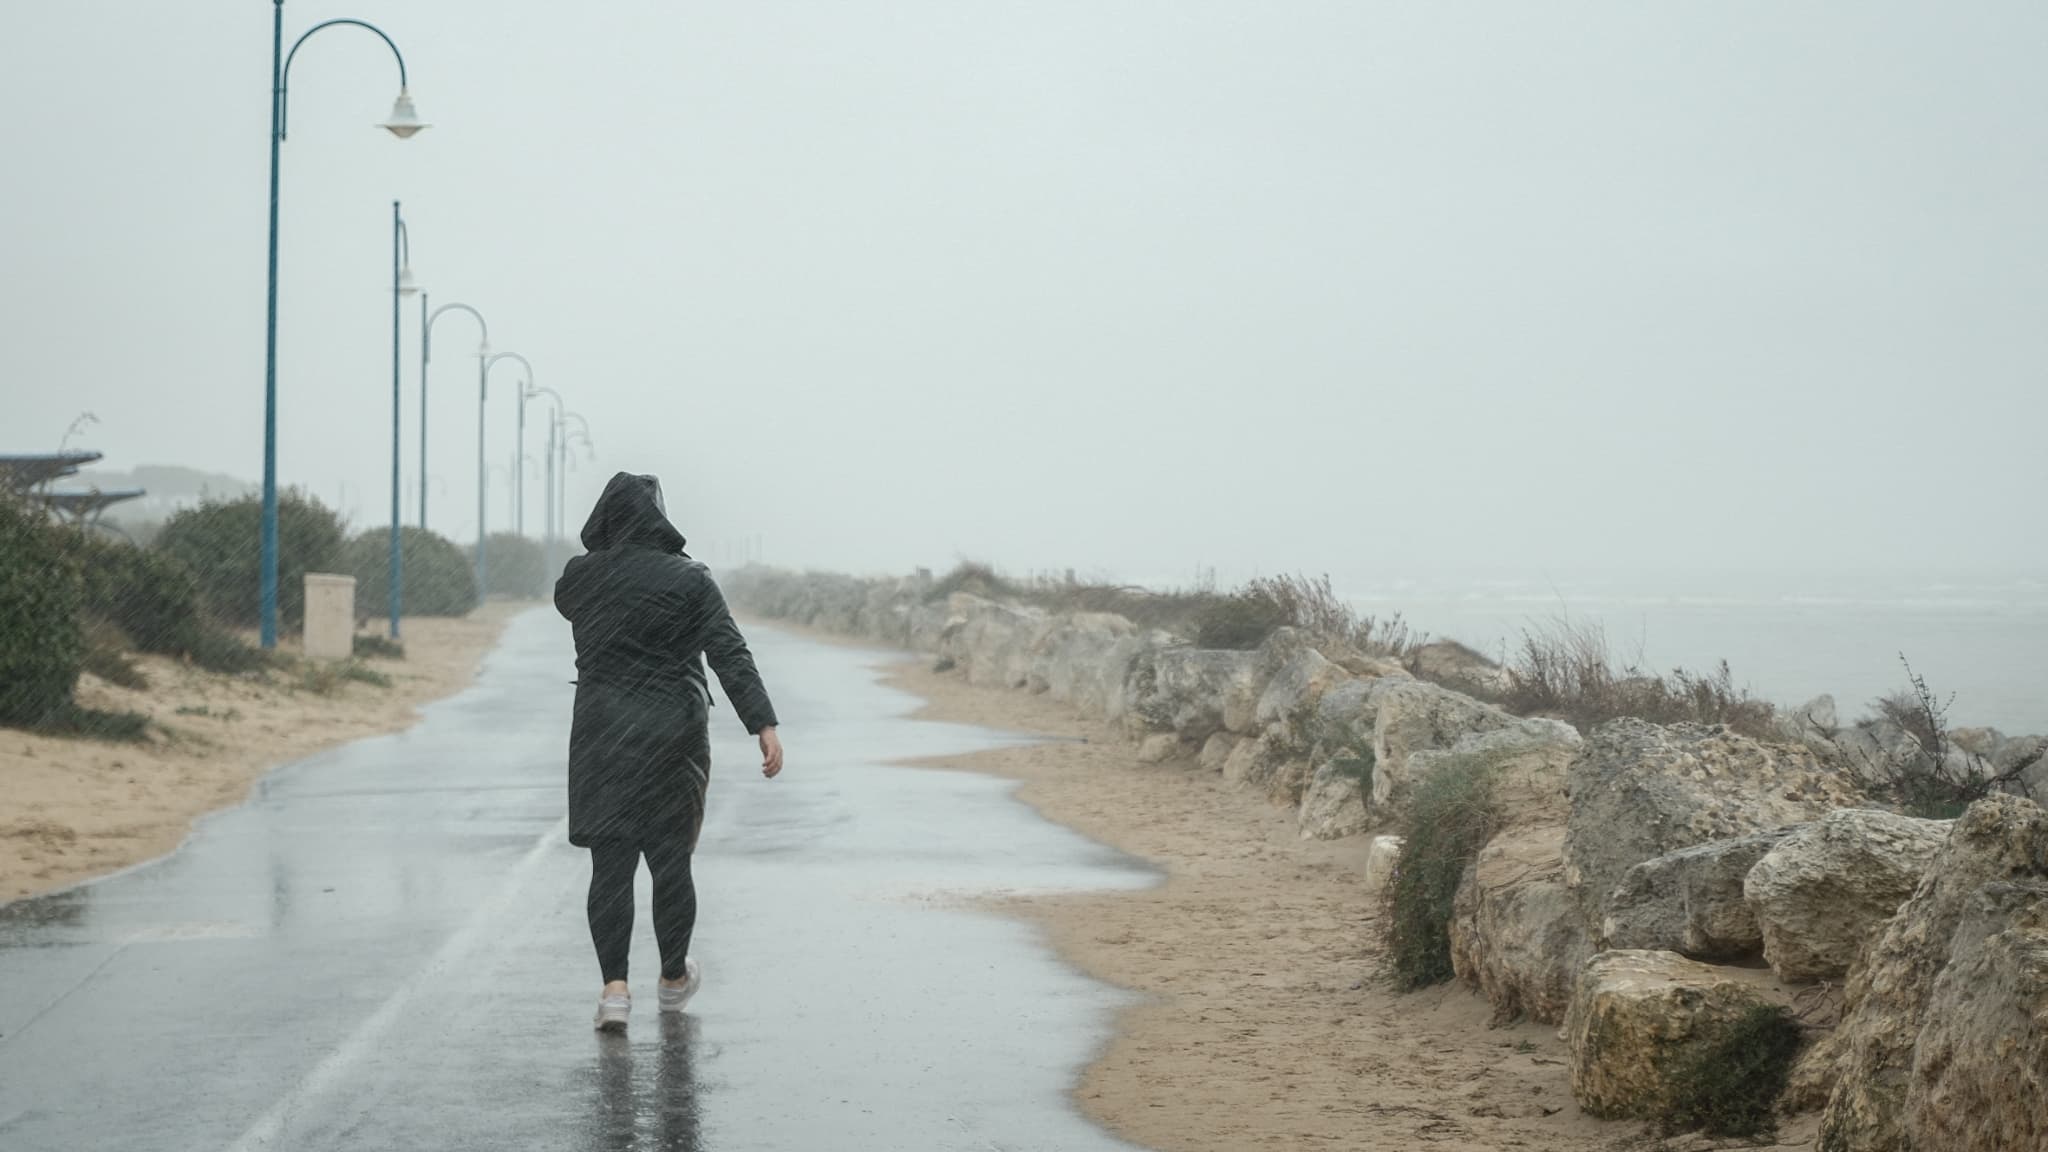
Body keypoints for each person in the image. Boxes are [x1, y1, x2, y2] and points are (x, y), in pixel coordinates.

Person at [554, 472, 784, 1031]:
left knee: (610, 865)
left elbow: (569, 601)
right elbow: (730, 652)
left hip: (602, 732)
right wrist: (763, 723)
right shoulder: (690, 581)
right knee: (669, 859)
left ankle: (614, 991)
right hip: (672, 736)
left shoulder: (580, 581)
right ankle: (674, 978)